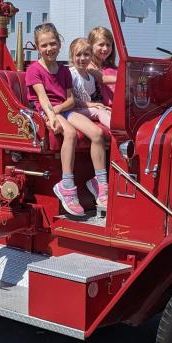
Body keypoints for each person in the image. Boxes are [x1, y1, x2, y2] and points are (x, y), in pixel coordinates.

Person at [26, 23, 108, 214]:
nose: (49, 49)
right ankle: (67, 185)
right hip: (45, 111)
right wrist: (52, 115)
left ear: (59, 44)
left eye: (53, 44)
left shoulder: (63, 71)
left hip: (63, 109)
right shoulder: (34, 70)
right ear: (38, 47)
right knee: (70, 133)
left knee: (96, 134)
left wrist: (59, 108)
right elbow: (42, 98)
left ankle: (100, 183)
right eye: (44, 45)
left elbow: (70, 99)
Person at [68, 37, 112, 128]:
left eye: (86, 54)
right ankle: (117, 133)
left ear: (91, 56)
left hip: (86, 109)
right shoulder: (70, 74)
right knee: (99, 112)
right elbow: (70, 100)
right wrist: (92, 105)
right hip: (73, 111)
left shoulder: (91, 77)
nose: (83, 58)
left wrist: (101, 106)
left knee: (109, 111)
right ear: (72, 56)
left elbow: (93, 98)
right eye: (78, 55)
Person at [87, 26, 118, 105]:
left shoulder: (112, 68)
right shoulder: (89, 65)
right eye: (101, 44)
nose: (105, 48)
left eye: (108, 45)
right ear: (90, 45)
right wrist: (124, 79)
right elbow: (102, 79)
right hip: (101, 107)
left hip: (117, 106)